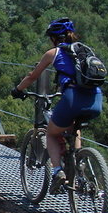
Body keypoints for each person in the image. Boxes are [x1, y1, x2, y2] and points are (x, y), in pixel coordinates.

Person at [11, 18, 103, 194]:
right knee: (74, 130)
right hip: (96, 100)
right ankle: (79, 164)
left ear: (54, 38)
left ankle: (57, 172)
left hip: (72, 98)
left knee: (52, 133)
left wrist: (17, 89)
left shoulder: (54, 53)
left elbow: (32, 76)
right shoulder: (85, 50)